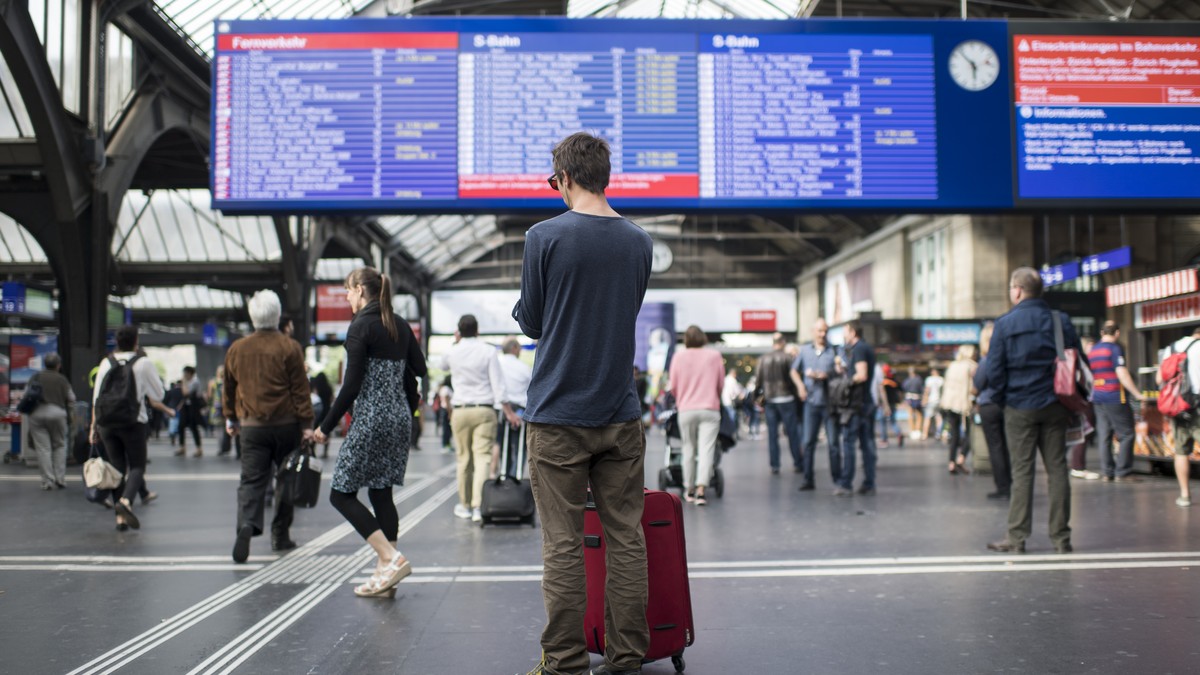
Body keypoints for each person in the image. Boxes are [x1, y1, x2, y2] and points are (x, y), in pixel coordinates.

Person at [511, 132, 652, 675]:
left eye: (555, 182)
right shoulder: (639, 242)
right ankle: (627, 655)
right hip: (620, 412)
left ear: (566, 177)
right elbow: (623, 311)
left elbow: (533, 322)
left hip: (557, 415)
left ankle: (566, 661)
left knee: (563, 544)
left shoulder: (543, 236)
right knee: (626, 538)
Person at [313, 267, 427, 597]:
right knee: (380, 492)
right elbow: (419, 368)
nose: (347, 296)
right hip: (400, 418)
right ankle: (385, 575)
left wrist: (325, 426)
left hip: (371, 418)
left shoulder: (361, 326)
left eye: (348, 290)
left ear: (361, 290)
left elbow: (350, 386)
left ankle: (390, 557)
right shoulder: (399, 324)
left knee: (340, 493)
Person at [985, 267, 1081, 555]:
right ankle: (1061, 538)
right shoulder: (1060, 321)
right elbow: (1078, 361)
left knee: (1022, 471)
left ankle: (1017, 537)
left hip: (1019, 406)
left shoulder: (1005, 323)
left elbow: (994, 370)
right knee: (1058, 469)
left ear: (1017, 290)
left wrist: (1003, 399)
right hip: (1056, 404)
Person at [223, 290, 315, 563]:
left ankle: (247, 524)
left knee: (251, 480)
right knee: (286, 479)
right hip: (286, 425)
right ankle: (280, 534)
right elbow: (301, 390)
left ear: (253, 316)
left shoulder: (237, 349)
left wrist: (231, 417)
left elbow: (229, 389)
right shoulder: (290, 347)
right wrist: (307, 424)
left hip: (252, 427)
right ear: (277, 315)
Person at [440, 314, 520, 523]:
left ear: (459, 332)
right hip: (484, 410)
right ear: (477, 331)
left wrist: (456, 342)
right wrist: (509, 412)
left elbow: (442, 366)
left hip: (460, 411)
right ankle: (479, 506)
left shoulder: (453, 350)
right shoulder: (488, 351)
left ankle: (465, 505)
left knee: (463, 459)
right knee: (483, 457)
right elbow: (498, 385)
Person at [90, 325, 168, 531]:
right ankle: (125, 502)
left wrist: (93, 427)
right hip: (133, 422)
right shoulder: (143, 363)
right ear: (136, 341)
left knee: (116, 468)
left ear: (117, 341)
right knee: (137, 466)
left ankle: (120, 520)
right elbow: (159, 394)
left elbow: (96, 398)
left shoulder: (106, 362)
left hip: (107, 423)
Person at [668, 325, 724, 506]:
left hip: (686, 409)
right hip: (710, 408)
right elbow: (720, 384)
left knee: (688, 448)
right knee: (706, 449)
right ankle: (701, 490)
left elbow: (673, 386)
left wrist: (682, 398)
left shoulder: (678, 356)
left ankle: (689, 489)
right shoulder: (714, 356)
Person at [1089, 322, 1147, 482]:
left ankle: (1107, 472)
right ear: (1117, 333)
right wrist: (1137, 394)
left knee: (1104, 435)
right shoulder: (1115, 348)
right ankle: (1123, 471)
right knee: (1127, 433)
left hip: (1097, 396)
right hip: (1114, 395)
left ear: (1102, 333)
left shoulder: (1093, 350)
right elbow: (1121, 372)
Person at [793, 317, 841, 491]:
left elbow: (842, 371)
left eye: (825, 331)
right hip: (811, 402)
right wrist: (800, 386)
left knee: (833, 443)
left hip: (830, 403)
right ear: (813, 332)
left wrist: (830, 373)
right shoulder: (805, 350)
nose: (823, 334)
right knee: (808, 442)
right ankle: (808, 479)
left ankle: (838, 479)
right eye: (820, 331)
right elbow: (793, 371)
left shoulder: (834, 350)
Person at [835, 320, 879, 497]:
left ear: (853, 332)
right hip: (866, 402)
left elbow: (862, 375)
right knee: (867, 444)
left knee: (849, 443)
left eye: (845, 332)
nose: (843, 335)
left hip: (856, 405)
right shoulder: (864, 348)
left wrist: (846, 382)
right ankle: (869, 482)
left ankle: (846, 483)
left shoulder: (859, 348)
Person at [26, 353, 75, 490]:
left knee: (43, 448)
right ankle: (60, 478)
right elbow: (71, 398)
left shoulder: (36, 377)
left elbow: (26, 394)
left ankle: (47, 481)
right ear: (58, 365)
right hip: (57, 413)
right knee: (60, 445)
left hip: (37, 414)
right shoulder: (62, 379)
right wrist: (70, 414)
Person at [756, 333, 803, 475]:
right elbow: (794, 378)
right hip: (787, 398)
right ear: (783, 342)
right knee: (792, 433)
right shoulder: (788, 358)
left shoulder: (763, 359)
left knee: (772, 434)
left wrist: (757, 396)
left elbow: (758, 381)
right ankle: (798, 462)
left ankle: (775, 465)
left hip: (770, 400)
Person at [974, 322, 1011, 500]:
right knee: (1006, 446)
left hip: (989, 405)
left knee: (995, 447)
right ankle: (1010, 483)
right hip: (1007, 404)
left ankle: (1002, 487)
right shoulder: (1007, 358)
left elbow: (978, 384)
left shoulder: (986, 361)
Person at [1167, 326, 1200, 508]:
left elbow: (1160, 379)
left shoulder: (1171, 348)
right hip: (1197, 404)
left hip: (1178, 406)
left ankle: (1184, 495)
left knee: (1181, 452)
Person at [496, 336, 533, 477]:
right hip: (519, 411)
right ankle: (516, 478)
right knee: (519, 447)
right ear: (514, 348)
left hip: (500, 410)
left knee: (502, 446)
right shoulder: (524, 368)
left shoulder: (496, 363)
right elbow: (532, 390)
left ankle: (504, 476)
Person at [940, 344, 978, 475]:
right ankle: (961, 458)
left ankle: (951, 463)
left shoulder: (952, 365)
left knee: (954, 433)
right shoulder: (972, 366)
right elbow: (974, 387)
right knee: (971, 433)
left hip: (950, 402)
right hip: (965, 403)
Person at [175, 366, 204, 458]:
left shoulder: (195, 381)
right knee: (181, 426)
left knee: (193, 427)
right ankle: (182, 447)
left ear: (189, 373)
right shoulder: (188, 382)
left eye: (185, 373)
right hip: (186, 407)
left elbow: (186, 392)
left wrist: (183, 382)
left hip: (193, 408)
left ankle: (199, 449)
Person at [878, 364, 904, 448]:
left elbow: (881, 393)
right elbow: (901, 391)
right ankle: (898, 433)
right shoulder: (895, 381)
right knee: (893, 421)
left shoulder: (882, 382)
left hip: (884, 404)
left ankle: (884, 439)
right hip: (893, 404)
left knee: (882, 422)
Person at [902, 368, 925, 440]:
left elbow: (904, 388)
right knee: (919, 415)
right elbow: (922, 389)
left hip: (909, 398)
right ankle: (917, 431)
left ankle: (912, 431)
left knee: (910, 415)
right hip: (917, 398)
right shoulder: (919, 380)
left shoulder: (907, 380)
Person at [922, 367, 944, 440]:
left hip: (931, 401)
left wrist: (924, 400)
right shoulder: (941, 380)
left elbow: (927, 390)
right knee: (938, 418)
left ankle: (924, 434)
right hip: (939, 401)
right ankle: (939, 433)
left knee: (927, 418)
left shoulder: (929, 379)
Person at [721, 368, 744, 434]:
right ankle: (732, 433)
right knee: (732, 418)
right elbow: (736, 392)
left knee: (727, 418)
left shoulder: (725, 379)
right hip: (731, 401)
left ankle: (726, 433)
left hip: (725, 401)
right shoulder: (733, 381)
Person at [436, 376, 454, 453]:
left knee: (448, 429)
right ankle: (445, 445)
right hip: (446, 410)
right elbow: (447, 401)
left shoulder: (445, 388)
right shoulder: (446, 389)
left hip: (447, 410)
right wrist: (449, 413)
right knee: (446, 428)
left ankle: (448, 444)